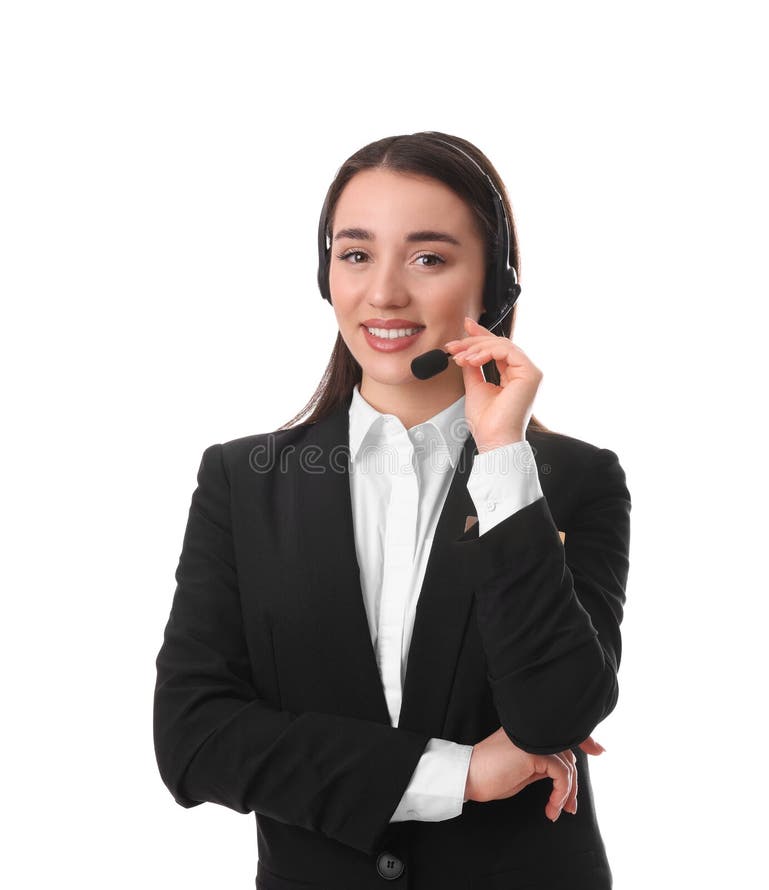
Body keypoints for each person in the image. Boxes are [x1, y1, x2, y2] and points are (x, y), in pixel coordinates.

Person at [153, 131, 632, 890]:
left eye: (428, 258)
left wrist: (502, 457)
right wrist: (460, 774)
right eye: (355, 254)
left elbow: (554, 716)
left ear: (495, 286)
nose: (383, 294)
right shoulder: (242, 482)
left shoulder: (572, 480)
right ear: (325, 274)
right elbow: (193, 740)